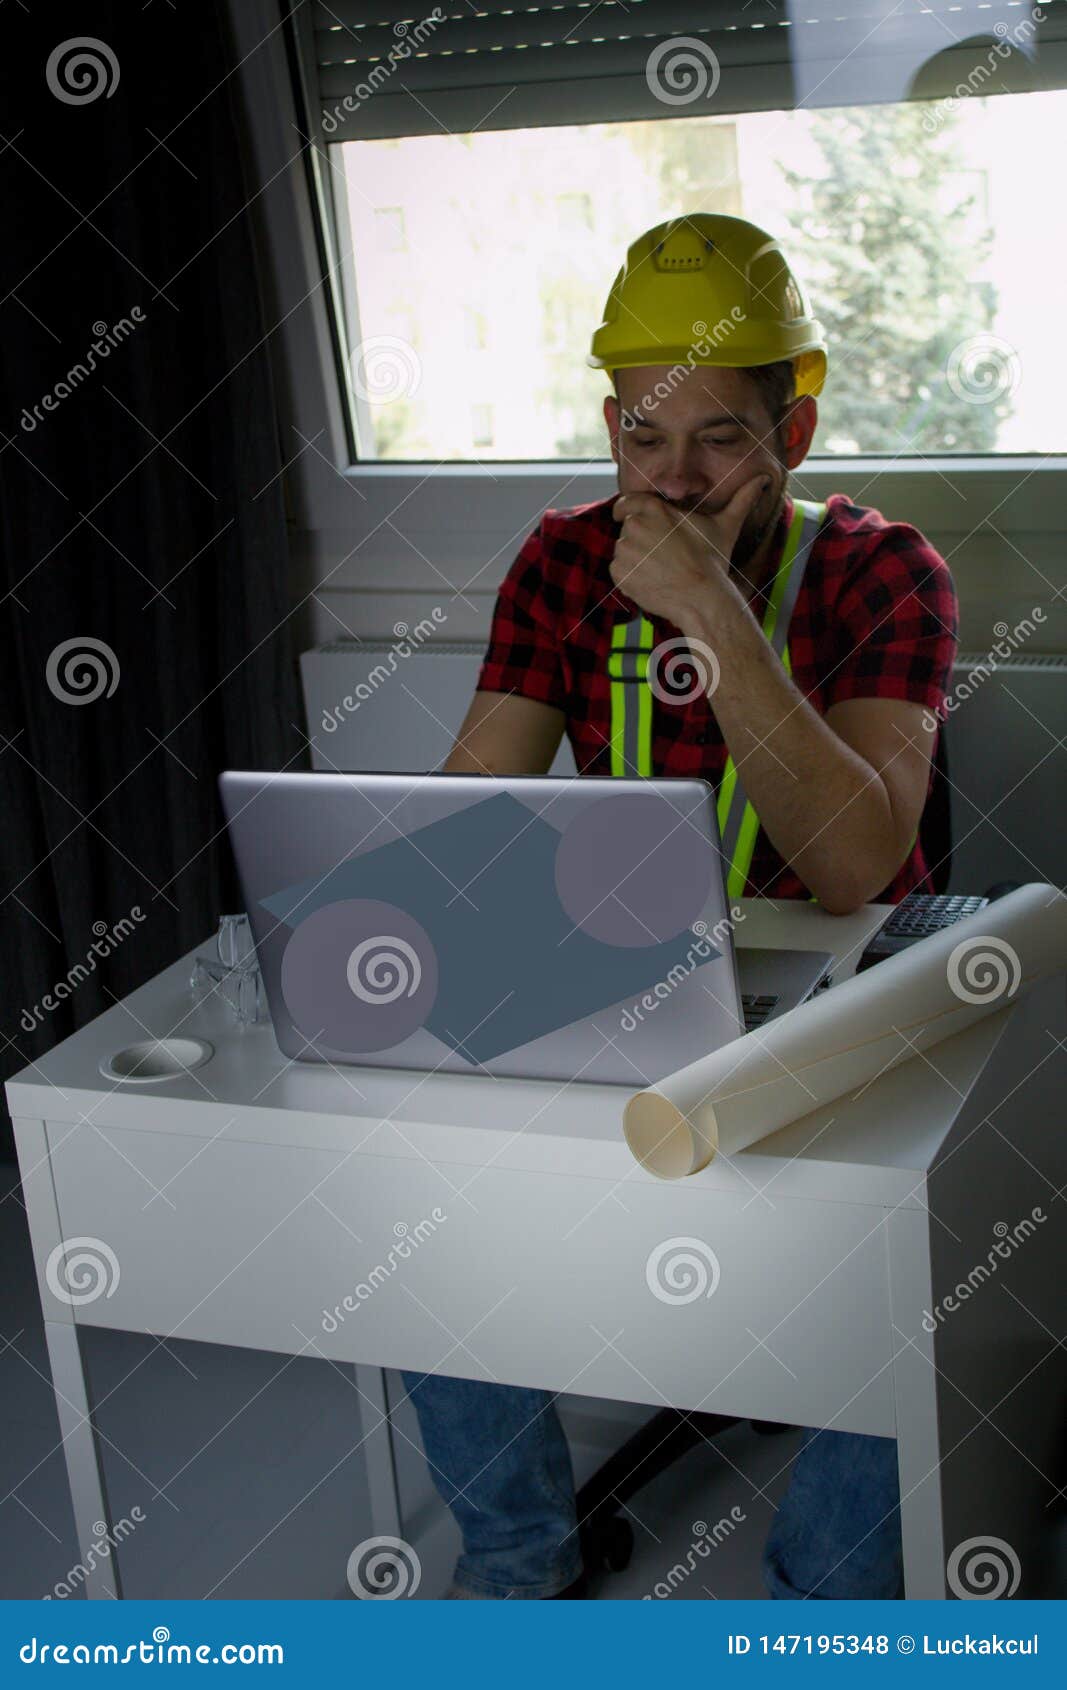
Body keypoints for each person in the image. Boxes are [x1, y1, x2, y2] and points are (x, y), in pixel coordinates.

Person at [401, 213, 959, 1599]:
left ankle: (822, 1589)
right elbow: (464, 826)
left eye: (719, 437)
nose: (675, 478)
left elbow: (861, 866)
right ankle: (528, 1562)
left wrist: (714, 612)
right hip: (631, 961)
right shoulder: (561, 558)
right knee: (420, 1153)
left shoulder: (890, 569)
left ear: (800, 428)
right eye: (643, 438)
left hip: (850, 968)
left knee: (927, 1170)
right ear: (607, 427)